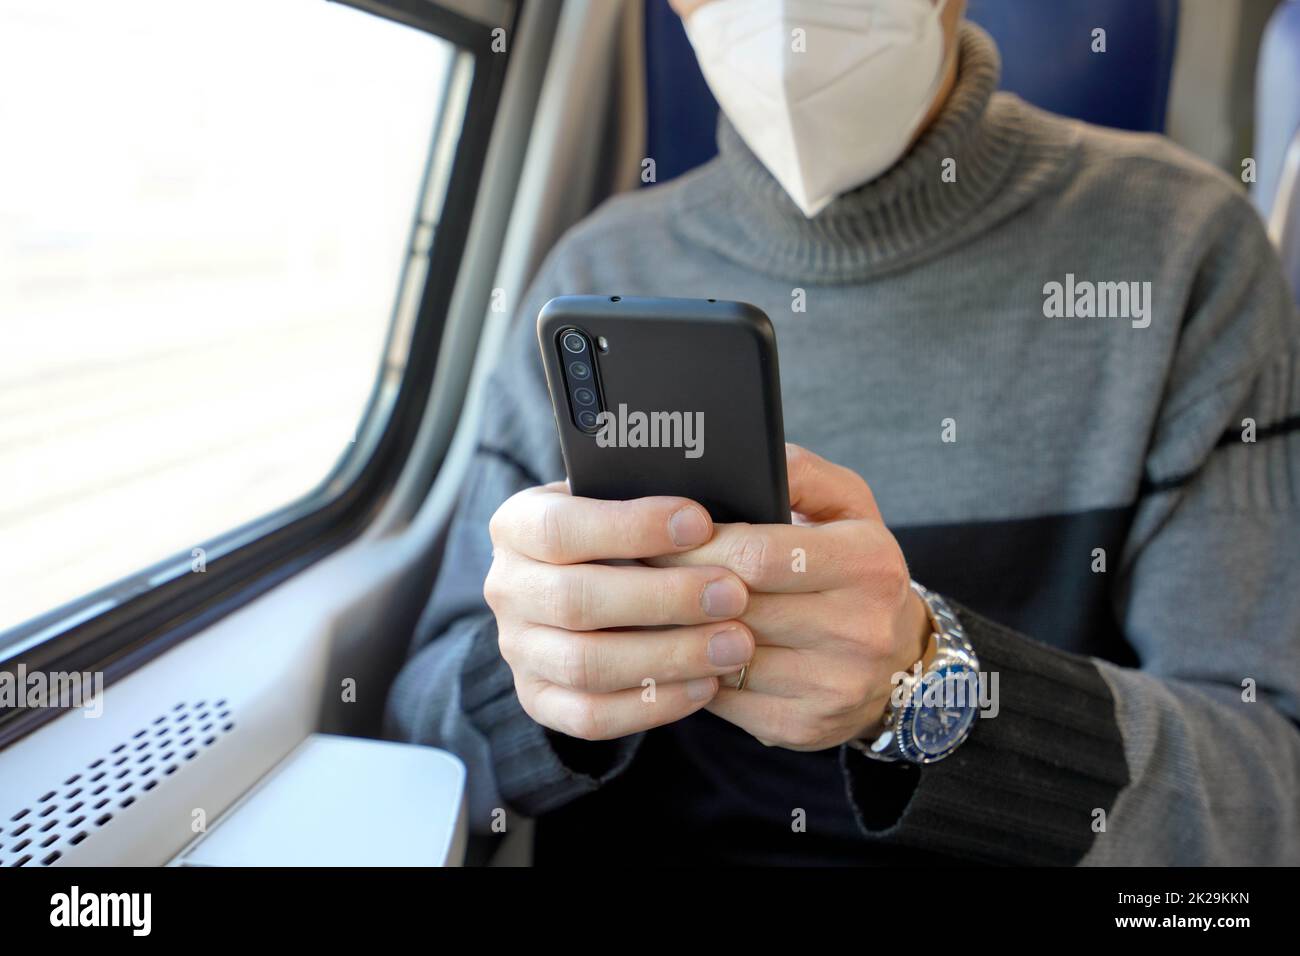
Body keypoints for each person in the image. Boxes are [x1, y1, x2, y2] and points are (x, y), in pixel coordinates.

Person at [385, 0, 1300, 865]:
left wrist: (926, 684)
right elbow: (419, 742)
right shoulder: (595, 271)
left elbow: (1269, 791)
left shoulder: (1183, 250)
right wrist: (546, 685)